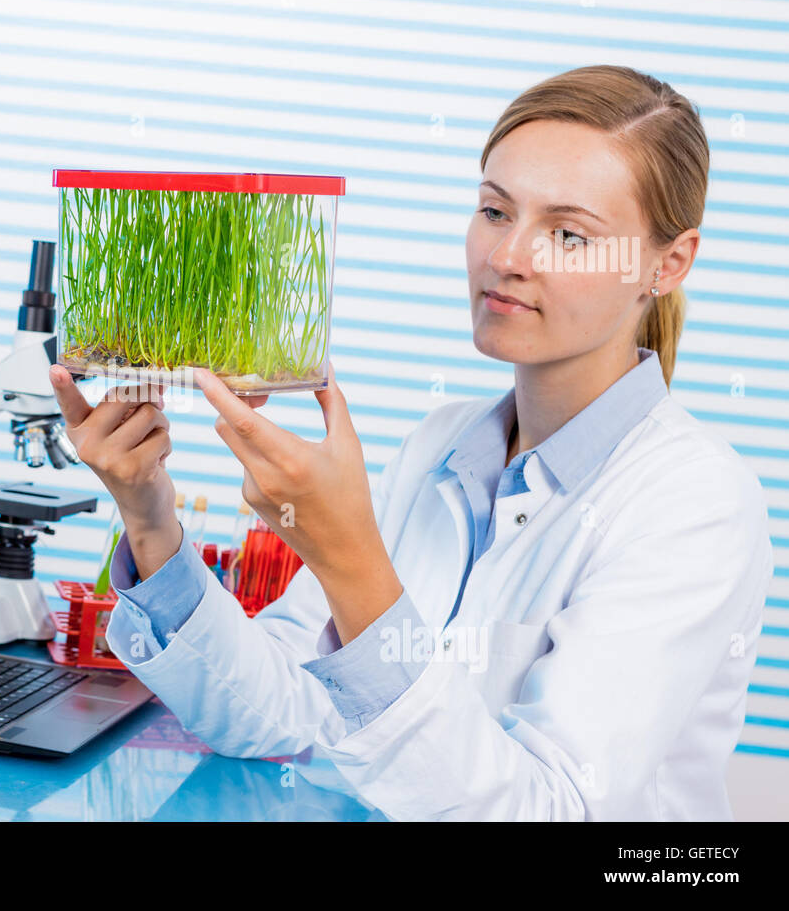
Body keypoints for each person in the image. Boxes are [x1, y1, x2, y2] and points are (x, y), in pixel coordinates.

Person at [47, 65, 774, 821]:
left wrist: (349, 559)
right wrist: (149, 517)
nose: (508, 256)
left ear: (668, 264)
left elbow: (551, 810)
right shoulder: (441, 444)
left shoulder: (694, 505)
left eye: (567, 233)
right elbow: (278, 712)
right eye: (495, 211)